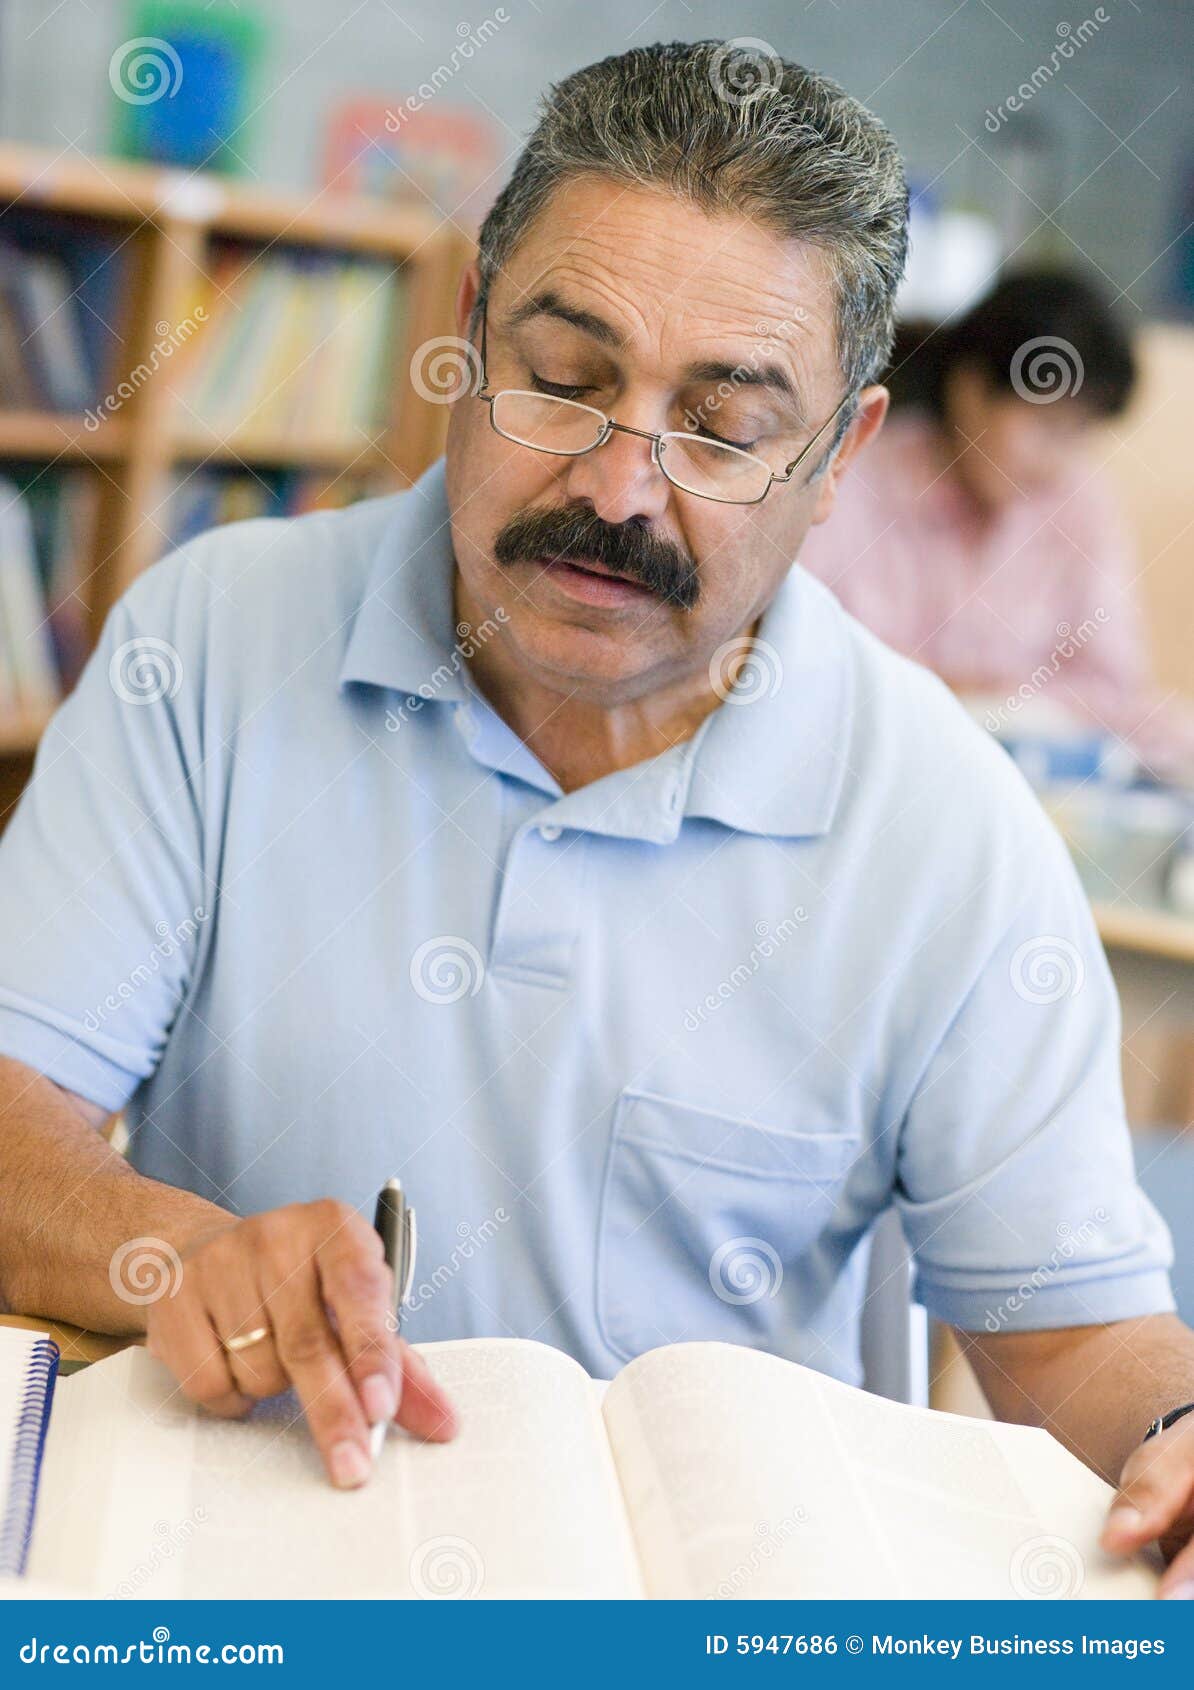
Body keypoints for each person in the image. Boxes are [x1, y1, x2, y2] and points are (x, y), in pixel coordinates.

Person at [0, 42, 1192, 1594]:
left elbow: (1075, 1331)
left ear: (837, 457)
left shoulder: (949, 827)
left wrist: (1178, 1427)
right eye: (563, 380)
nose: (619, 487)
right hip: (248, 1567)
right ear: (468, 335)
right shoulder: (206, 644)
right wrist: (180, 1249)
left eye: (723, 428)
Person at [799, 268, 1194, 777]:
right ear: (971, 391)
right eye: (1046, 426)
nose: (1056, 461)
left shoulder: (1076, 502)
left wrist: (1000, 700)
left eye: (1077, 434)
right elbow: (807, 665)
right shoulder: (856, 480)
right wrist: (965, 695)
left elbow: (1115, 688)